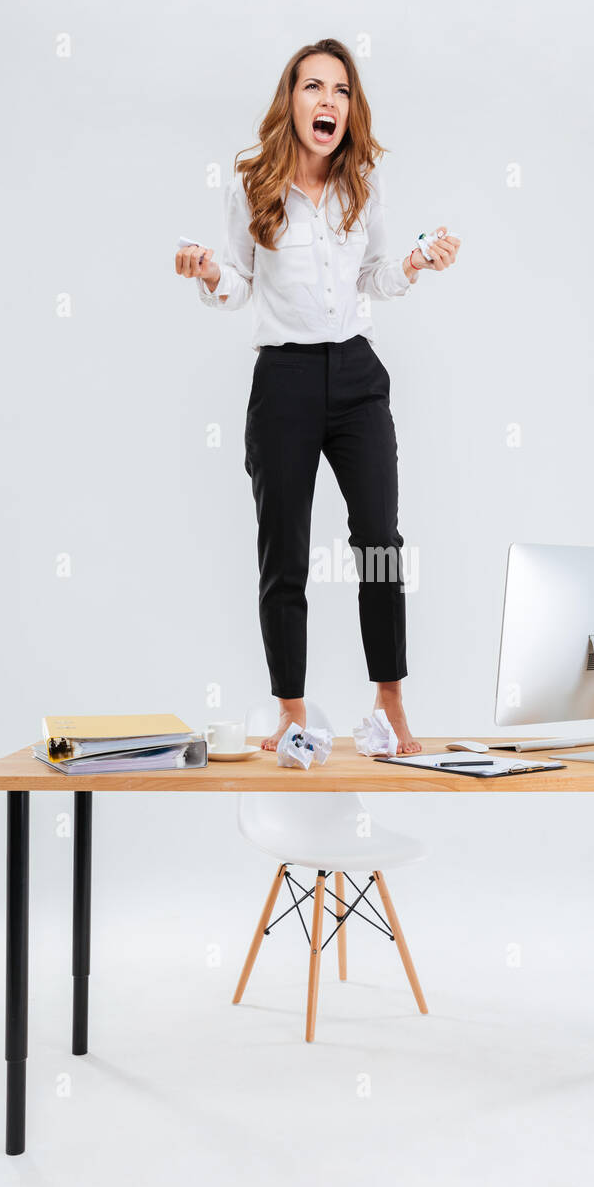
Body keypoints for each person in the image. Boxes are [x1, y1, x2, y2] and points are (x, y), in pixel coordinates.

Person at [176, 38, 460, 751]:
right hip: (285, 380)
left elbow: (375, 276)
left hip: (359, 379)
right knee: (286, 551)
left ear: (349, 108)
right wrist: (210, 272)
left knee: (380, 544)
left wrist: (416, 262)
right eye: (312, 87)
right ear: (291, 101)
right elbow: (239, 284)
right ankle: (292, 713)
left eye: (339, 89)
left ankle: (389, 702)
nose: (327, 100)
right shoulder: (250, 185)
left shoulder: (363, 182)